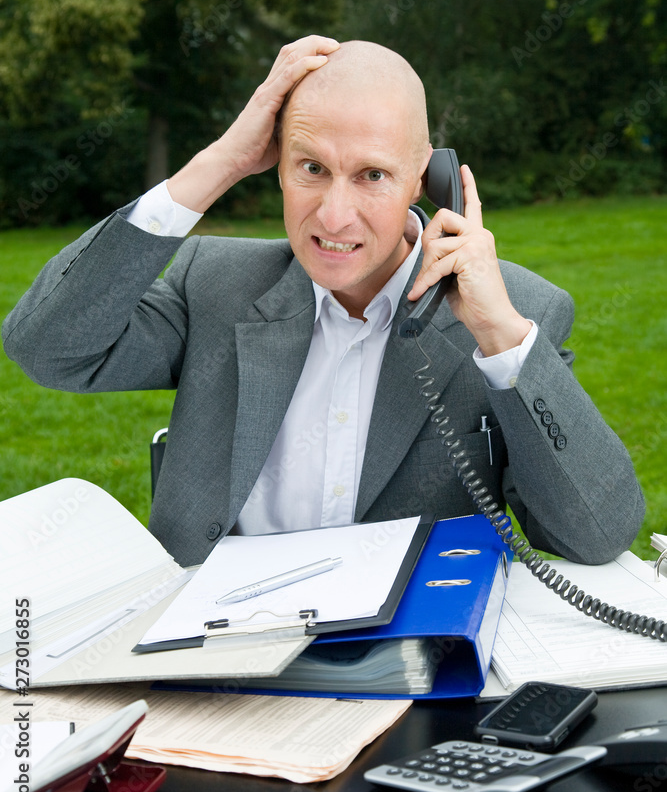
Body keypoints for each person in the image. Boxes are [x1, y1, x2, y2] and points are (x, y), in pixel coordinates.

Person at [2, 36, 644, 568]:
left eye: (372, 175)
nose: (334, 217)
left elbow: (596, 533)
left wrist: (499, 335)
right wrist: (218, 164)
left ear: (428, 177)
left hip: (401, 676)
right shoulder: (216, 286)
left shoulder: (517, 313)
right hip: (213, 667)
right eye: (311, 168)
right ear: (275, 161)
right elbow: (48, 347)